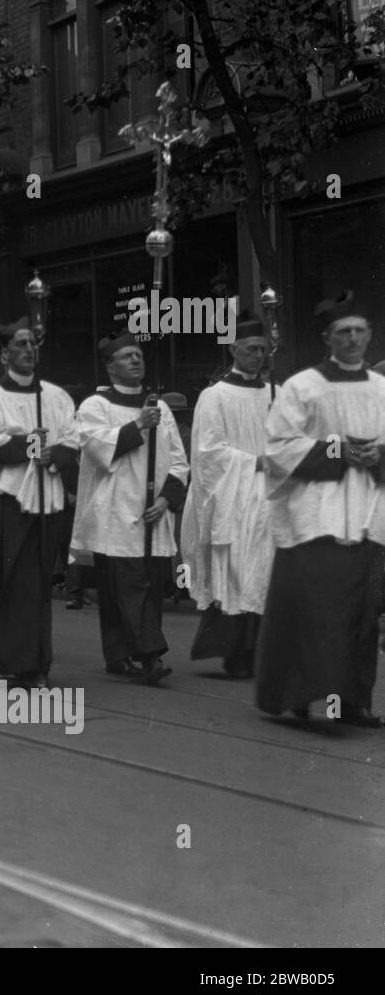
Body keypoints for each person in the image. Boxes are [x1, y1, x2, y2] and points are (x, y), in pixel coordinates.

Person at [256, 292, 385, 726]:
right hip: (317, 513)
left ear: (369, 336)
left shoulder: (382, 388)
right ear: (327, 337)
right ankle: (308, 696)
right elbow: (277, 447)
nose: (352, 339)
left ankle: (354, 703)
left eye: (359, 331)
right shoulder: (302, 387)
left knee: (364, 615)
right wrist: (338, 451)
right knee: (320, 614)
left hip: (368, 512)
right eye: (343, 332)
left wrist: (378, 457)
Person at [0, 317, 79, 686]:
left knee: (40, 584)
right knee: (14, 583)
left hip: (47, 500)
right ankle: (23, 663)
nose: (29, 350)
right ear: (4, 353)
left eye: (33, 344)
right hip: (7, 500)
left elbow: (74, 439)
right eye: (21, 345)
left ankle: (36, 659)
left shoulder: (56, 396)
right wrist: (30, 445)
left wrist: (53, 455)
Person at [71, 330, 189, 684]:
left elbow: (179, 462)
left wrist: (166, 499)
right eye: (127, 356)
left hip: (154, 510)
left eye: (138, 354)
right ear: (110, 367)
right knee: (129, 585)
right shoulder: (96, 406)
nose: (136, 359)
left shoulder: (160, 406)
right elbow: (97, 449)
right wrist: (138, 423)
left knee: (143, 586)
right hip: (115, 512)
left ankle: (117, 653)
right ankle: (151, 657)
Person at [179, 317, 274, 678]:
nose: (257, 355)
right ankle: (237, 653)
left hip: (272, 498)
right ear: (232, 349)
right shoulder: (214, 397)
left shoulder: (274, 394)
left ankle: (265, 653)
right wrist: (255, 463)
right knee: (238, 573)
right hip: (235, 499)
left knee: (267, 573)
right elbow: (208, 454)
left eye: (262, 349)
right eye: (250, 348)